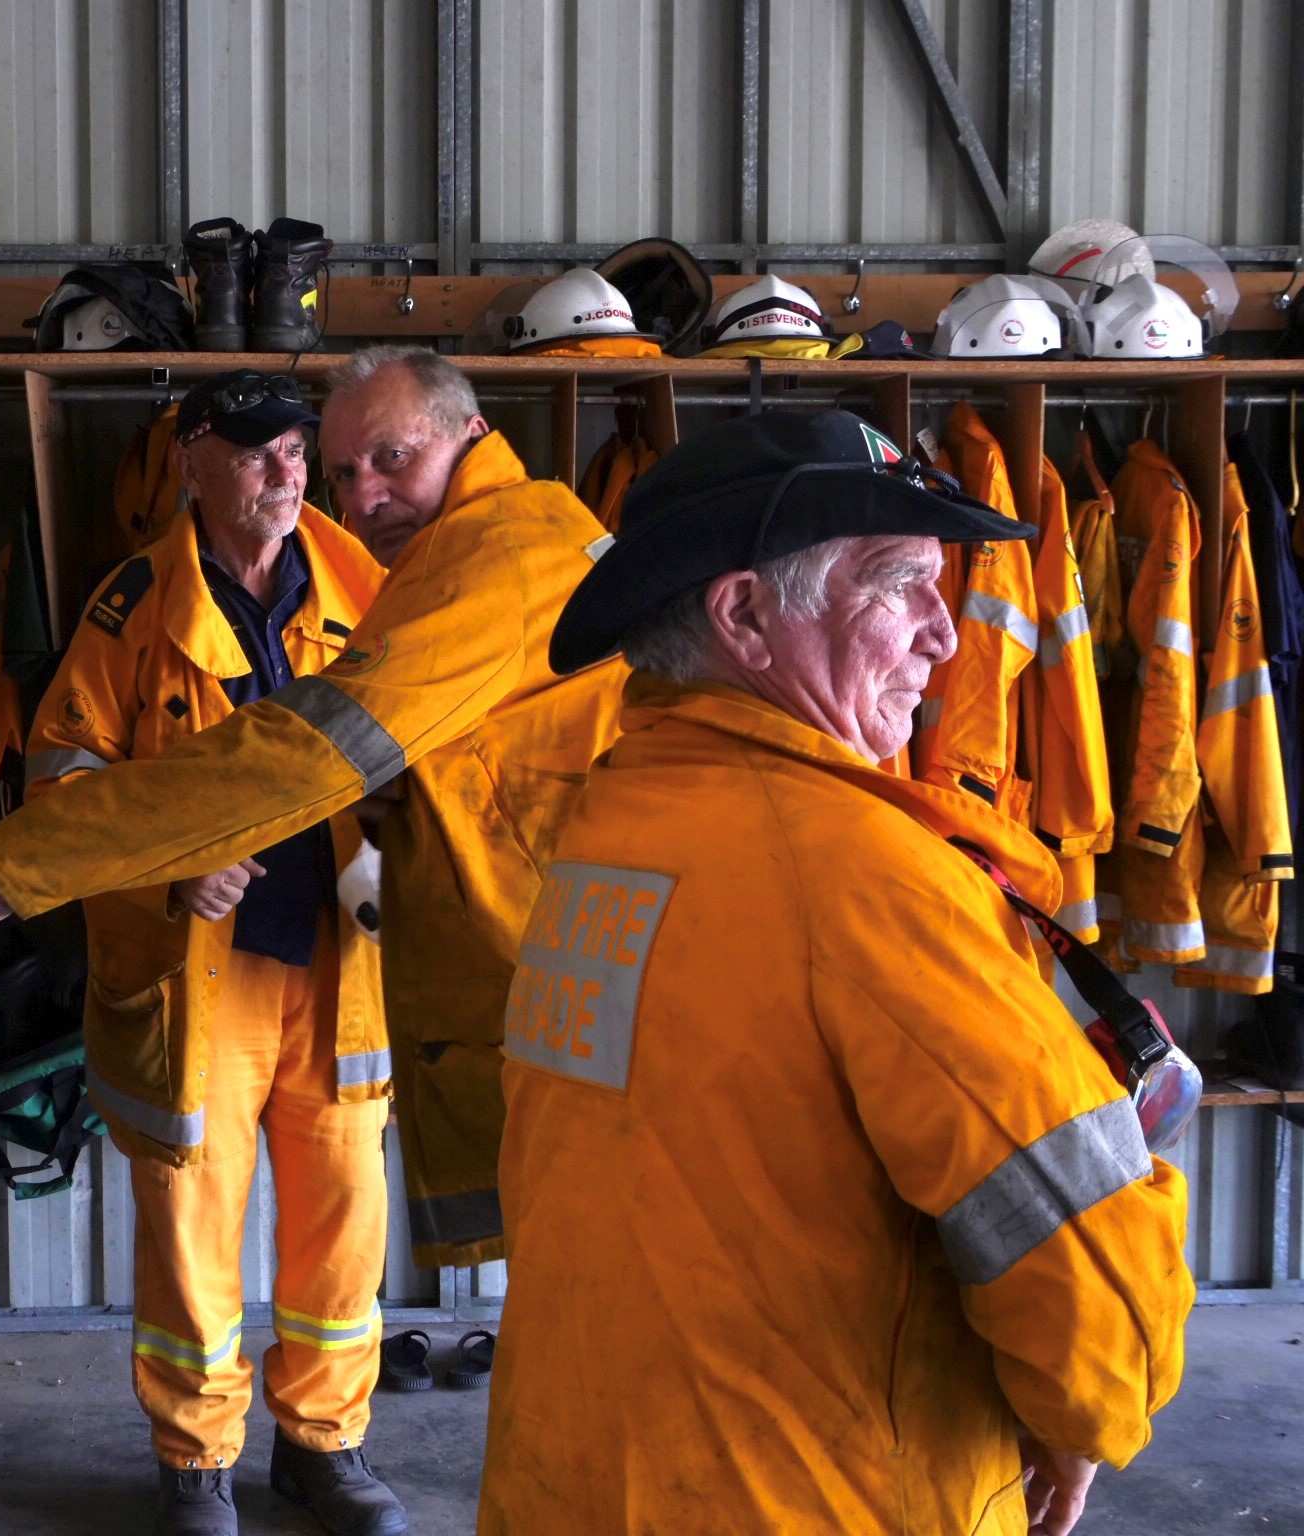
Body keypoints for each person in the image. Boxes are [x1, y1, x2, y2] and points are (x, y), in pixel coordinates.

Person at [481, 409, 1195, 1535]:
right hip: (811, 1499)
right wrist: (1089, 1414)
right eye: (897, 584)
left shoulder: (608, 825)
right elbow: (1083, 1253)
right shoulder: (861, 875)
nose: (945, 637)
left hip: (573, 1478)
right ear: (745, 617)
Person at [0, 345, 630, 1271]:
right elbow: (72, 764)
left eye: (389, 458)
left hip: (374, 961)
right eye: (340, 470)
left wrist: (22, 861)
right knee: (200, 1240)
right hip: (222, 967)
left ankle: (342, 1391)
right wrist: (148, 872)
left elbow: (305, 758)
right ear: (191, 468)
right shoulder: (140, 604)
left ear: (472, 434)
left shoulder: (440, 571)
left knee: (369, 1243)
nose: (355, 493)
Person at [26, 371, 401, 1535]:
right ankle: (194, 1461)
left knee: (345, 1213)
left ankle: (324, 1447)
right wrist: (169, 867)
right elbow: (60, 788)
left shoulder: (367, 586)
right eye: (253, 452)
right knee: (191, 1221)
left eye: (296, 450)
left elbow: (437, 745)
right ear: (189, 460)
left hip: (340, 962)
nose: (286, 473)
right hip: (199, 972)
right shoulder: (130, 609)